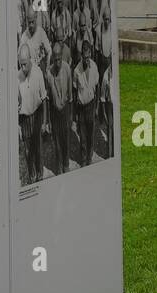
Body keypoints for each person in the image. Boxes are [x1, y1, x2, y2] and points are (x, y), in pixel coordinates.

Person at [17, 43, 47, 183]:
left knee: (38, 149)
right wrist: (18, 127)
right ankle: (33, 175)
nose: (23, 68)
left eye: (25, 64)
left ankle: (40, 175)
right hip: (24, 119)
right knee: (28, 150)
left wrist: (44, 122)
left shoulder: (38, 73)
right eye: (20, 64)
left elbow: (44, 99)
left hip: (37, 115)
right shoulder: (17, 78)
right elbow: (16, 105)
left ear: (30, 59)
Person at [46, 41, 73, 174]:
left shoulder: (67, 68)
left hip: (65, 111)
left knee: (65, 140)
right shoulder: (49, 74)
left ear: (62, 57)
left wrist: (71, 115)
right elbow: (48, 99)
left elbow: (70, 95)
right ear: (53, 58)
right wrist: (49, 121)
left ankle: (66, 164)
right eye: (55, 60)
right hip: (55, 114)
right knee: (56, 142)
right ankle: (59, 166)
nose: (57, 63)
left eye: (59, 59)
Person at [73, 34, 99, 167]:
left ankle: (89, 157)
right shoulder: (76, 71)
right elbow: (74, 90)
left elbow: (97, 87)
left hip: (91, 105)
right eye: (85, 56)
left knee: (90, 134)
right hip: (81, 108)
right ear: (81, 55)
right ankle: (83, 161)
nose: (87, 59)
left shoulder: (94, 67)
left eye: (89, 56)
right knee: (82, 136)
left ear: (90, 54)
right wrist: (75, 114)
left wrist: (97, 107)